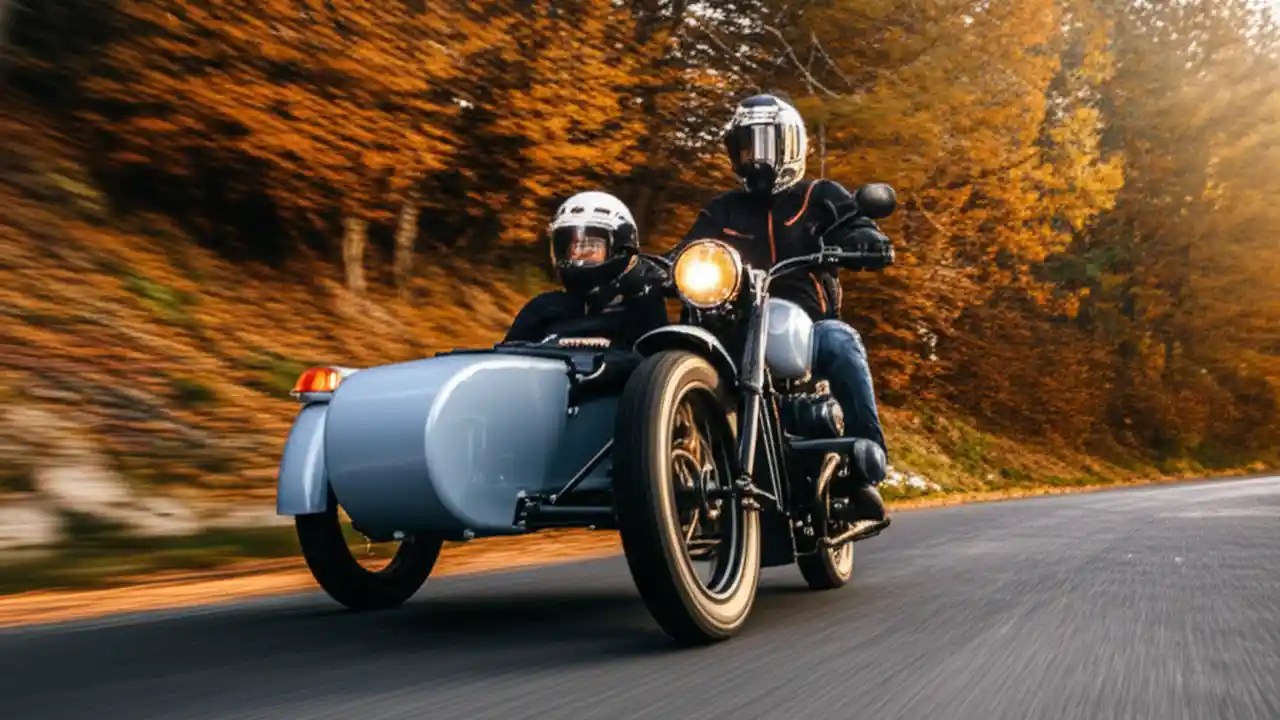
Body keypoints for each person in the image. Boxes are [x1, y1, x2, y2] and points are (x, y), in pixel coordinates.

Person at [675, 93, 895, 524]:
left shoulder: (819, 196)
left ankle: (865, 468)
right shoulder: (722, 209)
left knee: (842, 341)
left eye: (762, 145)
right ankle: (677, 462)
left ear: (789, 145)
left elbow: (855, 221)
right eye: (744, 147)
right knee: (678, 358)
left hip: (806, 327)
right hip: (735, 330)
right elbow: (688, 251)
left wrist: (865, 239)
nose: (753, 158)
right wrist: (659, 268)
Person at [505, 191, 668, 347]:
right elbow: (504, 357)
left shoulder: (641, 306)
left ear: (620, 249)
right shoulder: (543, 307)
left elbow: (661, 359)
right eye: (572, 247)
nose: (577, 254)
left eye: (590, 246)